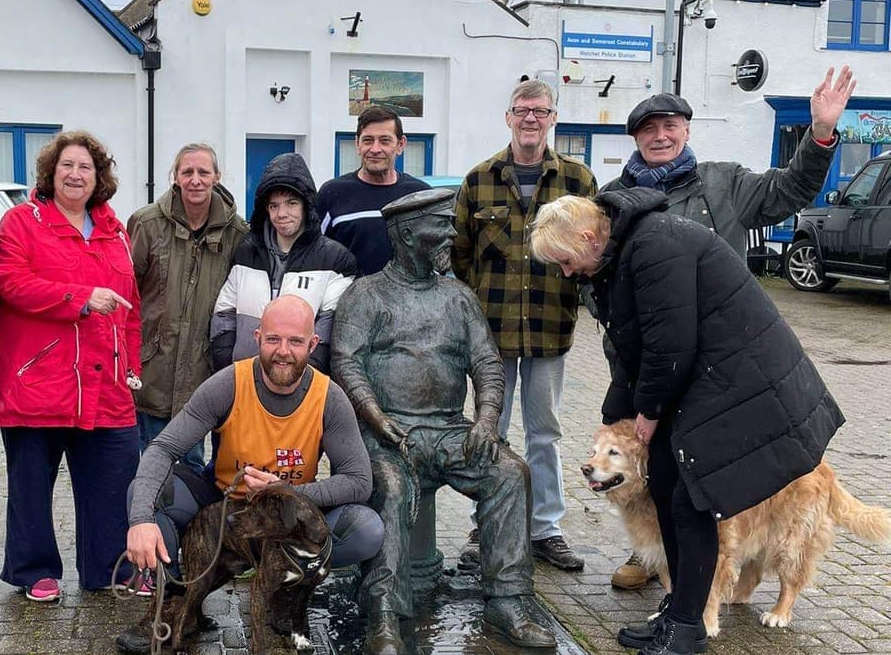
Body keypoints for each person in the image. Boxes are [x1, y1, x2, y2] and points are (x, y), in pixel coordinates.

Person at [530, 188, 844, 655]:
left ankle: (687, 626)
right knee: (666, 492)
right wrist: (614, 419)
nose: (566, 271)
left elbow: (670, 345)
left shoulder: (654, 245)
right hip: (702, 380)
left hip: (738, 384)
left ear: (589, 235)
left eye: (565, 260)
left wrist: (650, 413)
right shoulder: (619, 257)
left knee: (690, 503)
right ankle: (678, 612)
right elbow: (630, 352)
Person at [600, 65, 854, 590]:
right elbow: (592, 272)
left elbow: (791, 190)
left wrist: (821, 134)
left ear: (686, 131)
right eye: (649, 129)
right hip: (646, 361)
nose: (660, 136)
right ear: (635, 138)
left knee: (702, 467)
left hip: (717, 361)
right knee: (645, 458)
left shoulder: (725, 182)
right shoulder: (613, 199)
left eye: (670, 126)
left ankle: (712, 562)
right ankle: (649, 553)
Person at [332, 188, 554, 653]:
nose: (453, 234)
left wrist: (487, 420)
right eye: (443, 225)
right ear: (407, 233)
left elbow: (487, 364)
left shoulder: (459, 297)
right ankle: (385, 615)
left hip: (451, 430)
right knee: (389, 487)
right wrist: (373, 417)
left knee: (510, 473)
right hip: (386, 434)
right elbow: (345, 361)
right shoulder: (365, 295)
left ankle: (508, 598)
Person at [115, 295, 384, 653]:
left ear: (313, 343)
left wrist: (289, 492)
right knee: (145, 494)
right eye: (273, 339)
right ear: (257, 337)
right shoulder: (229, 383)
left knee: (366, 529)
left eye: (295, 341)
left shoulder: (328, 397)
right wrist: (140, 521)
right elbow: (163, 448)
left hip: (285, 520)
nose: (283, 351)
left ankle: (286, 595)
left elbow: (358, 480)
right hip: (227, 507)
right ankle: (176, 601)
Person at [0, 131, 142, 604]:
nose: (75, 174)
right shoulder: (21, 222)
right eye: (67, 166)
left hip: (106, 382)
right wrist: (79, 298)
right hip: (38, 379)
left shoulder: (115, 231)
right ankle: (34, 569)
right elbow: (10, 282)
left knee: (113, 485)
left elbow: (130, 307)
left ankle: (110, 566)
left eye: (85, 167)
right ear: (50, 174)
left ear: (99, 178)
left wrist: (130, 365)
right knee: (31, 486)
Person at [452, 78, 597, 574]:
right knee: (489, 430)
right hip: (492, 337)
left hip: (549, 330)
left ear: (553, 118)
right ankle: (485, 523)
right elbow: (460, 258)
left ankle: (545, 529)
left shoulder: (578, 180)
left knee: (545, 433)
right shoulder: (478, 181)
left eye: (540, 110)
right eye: (521, 110)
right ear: (508, 118)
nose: (530, 118)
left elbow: (593, 251)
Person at [128, 144, 248, 475]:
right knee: (152, 464)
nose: (195, 180)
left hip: (204, 370)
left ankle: (187, 527)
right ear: (176, 177)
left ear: (217, 177)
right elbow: (127, 293)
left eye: (203, 172)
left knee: (192, 469)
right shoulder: (147, 223)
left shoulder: (237, 233)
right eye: (187, 172)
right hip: (154, 369)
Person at [209, 152, 356, 374]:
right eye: (273, 206)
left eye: (291, 203)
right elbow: (224, 315)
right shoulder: (246, 252)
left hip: (300, 386)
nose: (282, 213)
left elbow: (329, 332)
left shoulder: (335, 260)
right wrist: (230, 368)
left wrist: (300, 380)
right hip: (244, 380)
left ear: (306, 206)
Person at [316, 106, 429, 276]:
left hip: (408, 301)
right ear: (358, 144)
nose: (375, 149)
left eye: (385, 140)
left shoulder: (420, 195)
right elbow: (312, 253)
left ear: (400, 144)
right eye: (368, 140)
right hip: (348, 300)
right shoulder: (332, 194)